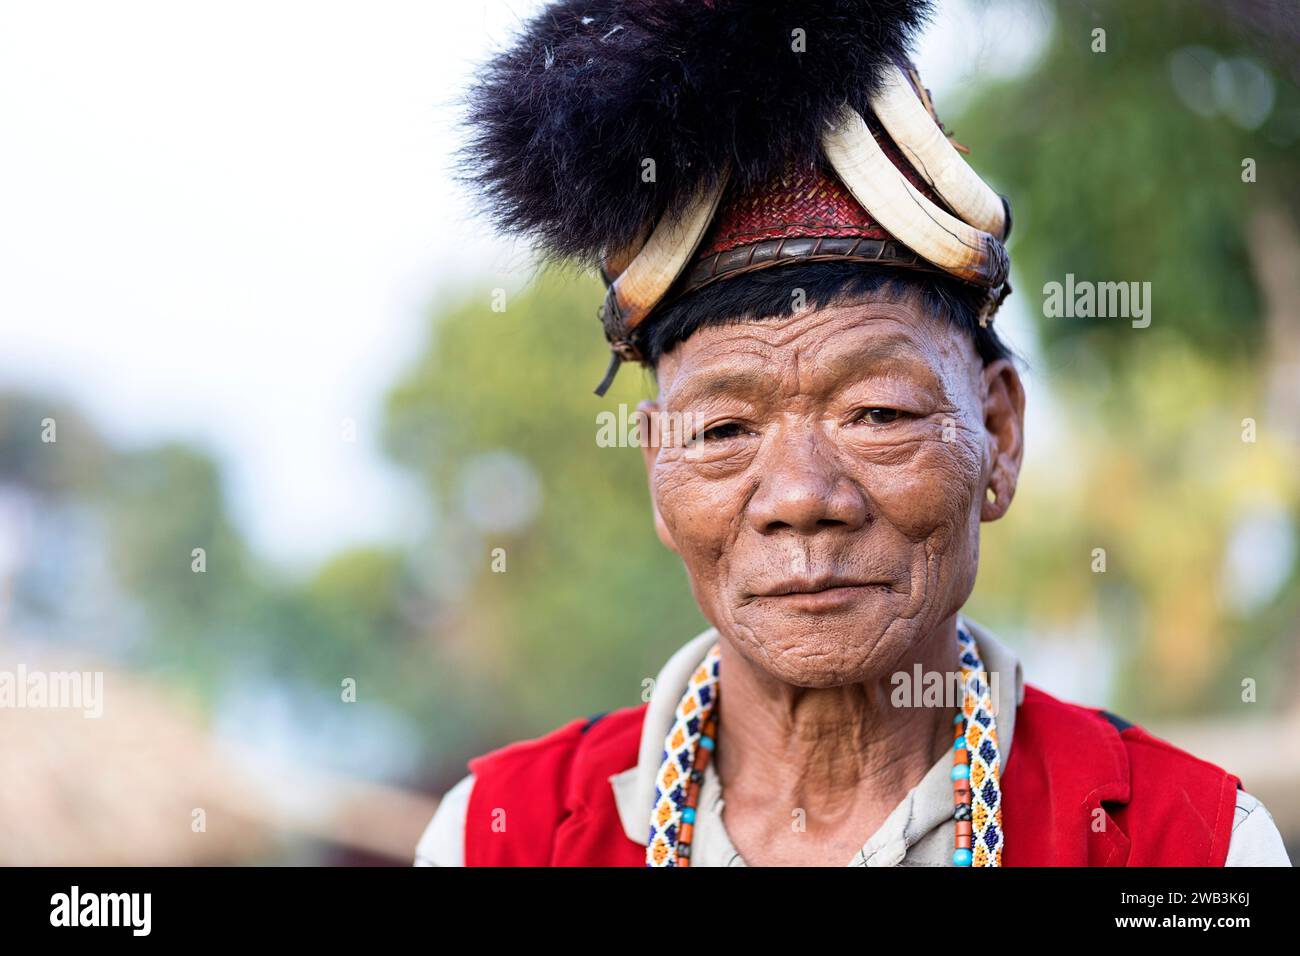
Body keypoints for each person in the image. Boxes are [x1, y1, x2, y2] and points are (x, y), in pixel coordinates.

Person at [417, 0, 1291, 866]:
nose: (801, 497)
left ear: (999, 431)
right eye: (723, 428)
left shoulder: (1190, 851)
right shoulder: (500, 837)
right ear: (656, 466)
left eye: (878, 414)